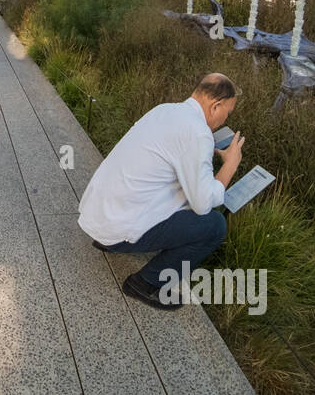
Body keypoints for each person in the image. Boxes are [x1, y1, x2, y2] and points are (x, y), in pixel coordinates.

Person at [78, 73, 246, 311]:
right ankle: (145, 282)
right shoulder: (198, 133)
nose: (225, 118)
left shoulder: (164, 110)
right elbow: (203, 204)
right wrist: (230, 164)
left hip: (96, 216)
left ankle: (109, 240)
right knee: (214, 226)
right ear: (215, 106)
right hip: (116, 230)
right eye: (227, 112)